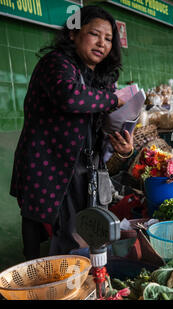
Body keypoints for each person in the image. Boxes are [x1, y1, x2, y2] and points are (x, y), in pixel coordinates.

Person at [10, 6, 134, 260]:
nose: (102, 43)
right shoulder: (55, 63)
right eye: (94, 34)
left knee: (82, 236)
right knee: (43, 242)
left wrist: (124, 148)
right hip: (48, 167)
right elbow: (70, 97)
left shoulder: (100, 78)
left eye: (108, 39)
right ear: (73, 35)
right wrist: (113, 99)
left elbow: (105, 125)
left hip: (82, 170)